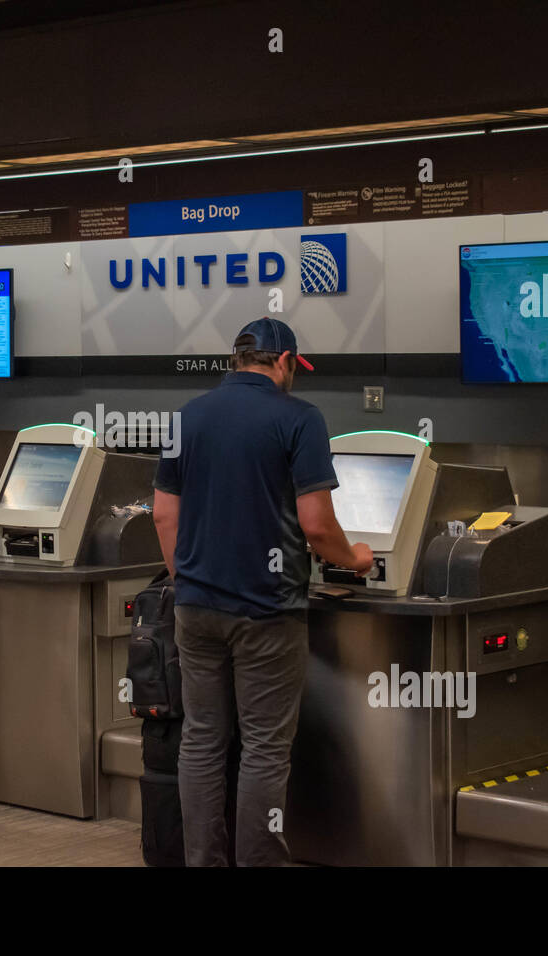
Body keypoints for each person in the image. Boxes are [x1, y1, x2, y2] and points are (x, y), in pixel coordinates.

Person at [151, 317, 374, 866]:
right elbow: (318, 526)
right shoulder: (299, 419)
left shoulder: (189, 416)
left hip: (196, 609)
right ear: (283, 361)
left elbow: (162, 515)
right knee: (265, 751)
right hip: (268, 612)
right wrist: (357, 559)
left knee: (202, 742)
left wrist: (189, 584)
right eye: (295, 366)